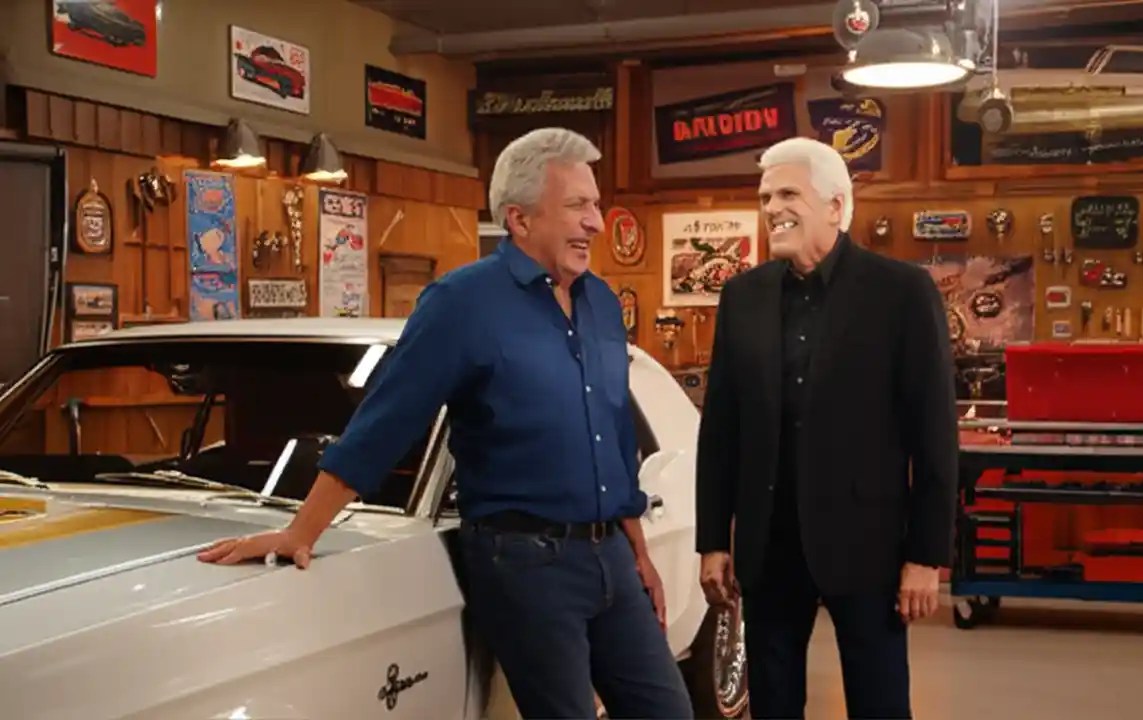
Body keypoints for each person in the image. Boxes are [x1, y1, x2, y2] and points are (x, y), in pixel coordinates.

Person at [197, 127, 695, 720]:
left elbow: (613, 429)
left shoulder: (601, 303)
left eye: (595, 204)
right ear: (519, 218)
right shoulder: (462, 303)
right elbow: (386, 420)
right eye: (578, 206)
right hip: (525, 563)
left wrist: (636, 546)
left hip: (609, 551)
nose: (596, 222)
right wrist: (302, 531)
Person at [695, 137, 958, 719]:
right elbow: (721, 430)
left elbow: (934, 435)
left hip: (869, 547)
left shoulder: (901, 293)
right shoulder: (743, 297)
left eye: (788, 193)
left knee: (879, 703)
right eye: (765, 196)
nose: (771, 208)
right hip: (768, 548)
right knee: (775, 702)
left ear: (836, 207)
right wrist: (714, 538)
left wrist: (926, 555)